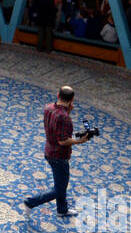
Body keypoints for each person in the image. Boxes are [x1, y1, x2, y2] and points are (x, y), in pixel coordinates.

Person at [23, 85, 91, 218]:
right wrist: (80, 141)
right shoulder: (65, 118)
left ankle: (62, 209)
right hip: (59, 156)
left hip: (49, 150)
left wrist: (68, 112)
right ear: (72, 99)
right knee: (60, 188)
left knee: (60, 183)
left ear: (58, 96)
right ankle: (30, 202)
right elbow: (63, 140)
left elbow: (56, 127)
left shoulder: (48, 108)